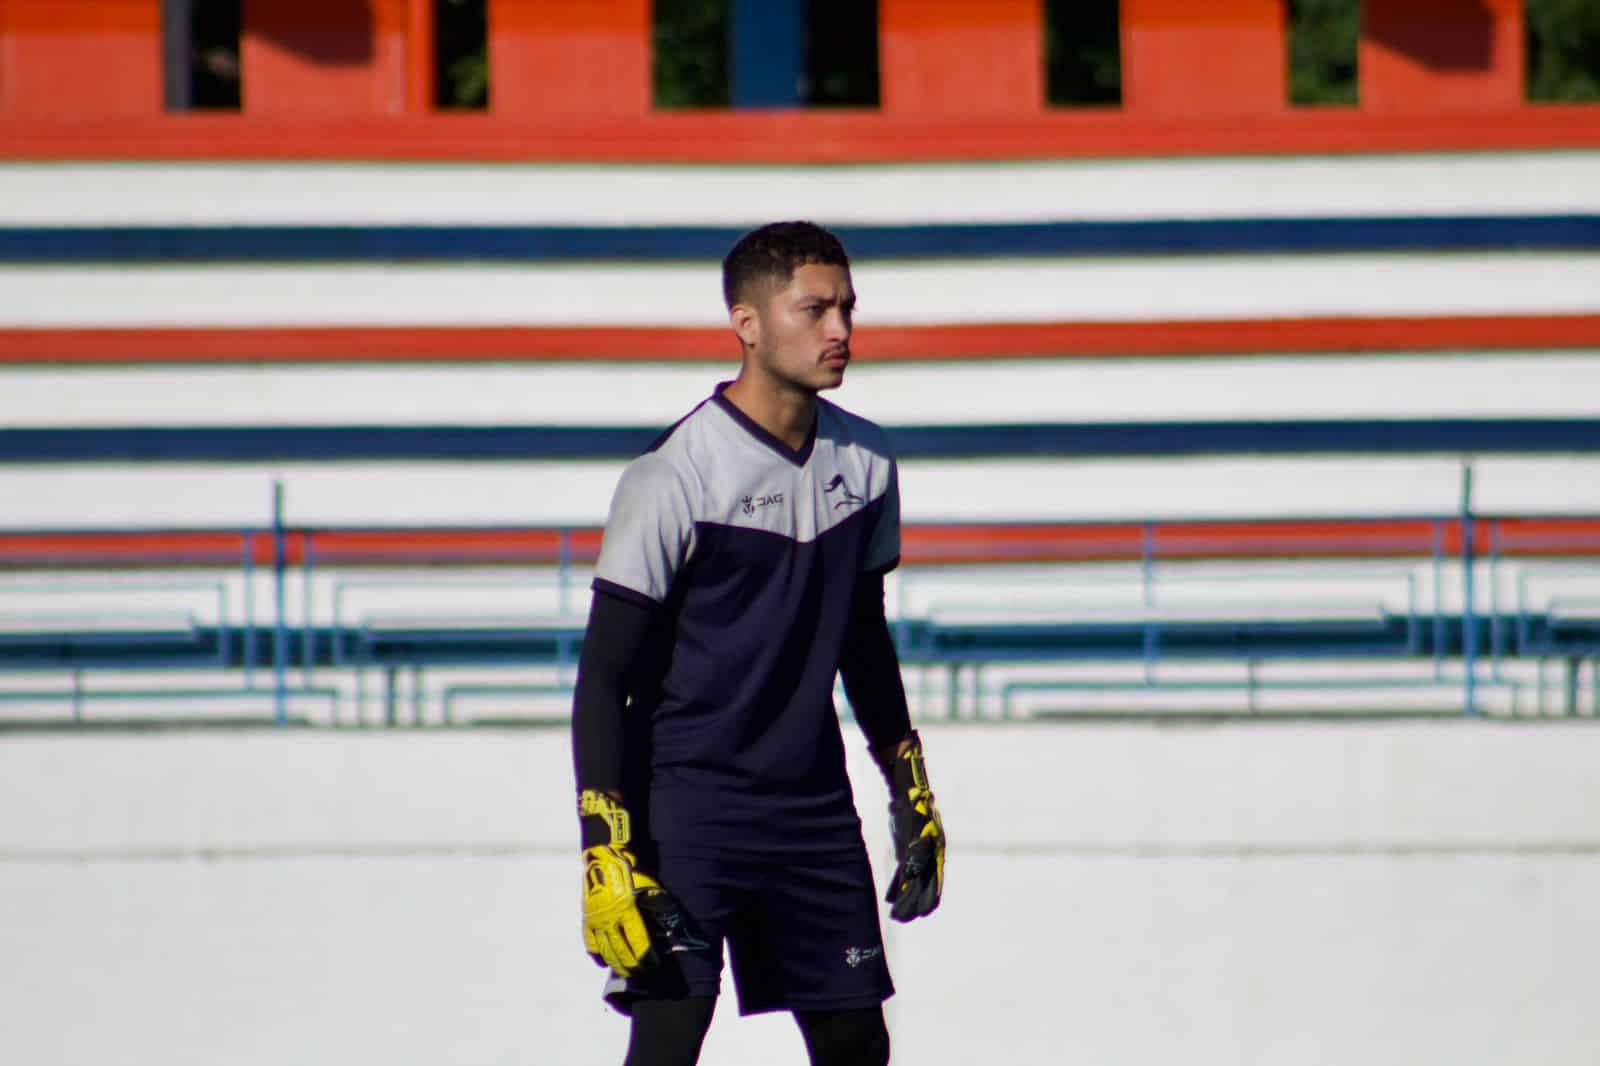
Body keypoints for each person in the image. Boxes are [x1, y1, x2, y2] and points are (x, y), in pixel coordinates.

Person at [570, 221, 946, 1066]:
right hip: (686, 810)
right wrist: (606, 850)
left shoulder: (871, 462)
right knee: (666, 1044)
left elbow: (864, 644)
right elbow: (603, 679)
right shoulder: (671, 476)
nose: (840, 330)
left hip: (812, 815)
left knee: (858, 1047)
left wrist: (909, 787)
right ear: (747, 323)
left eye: (848, 308)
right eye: (814, 309)